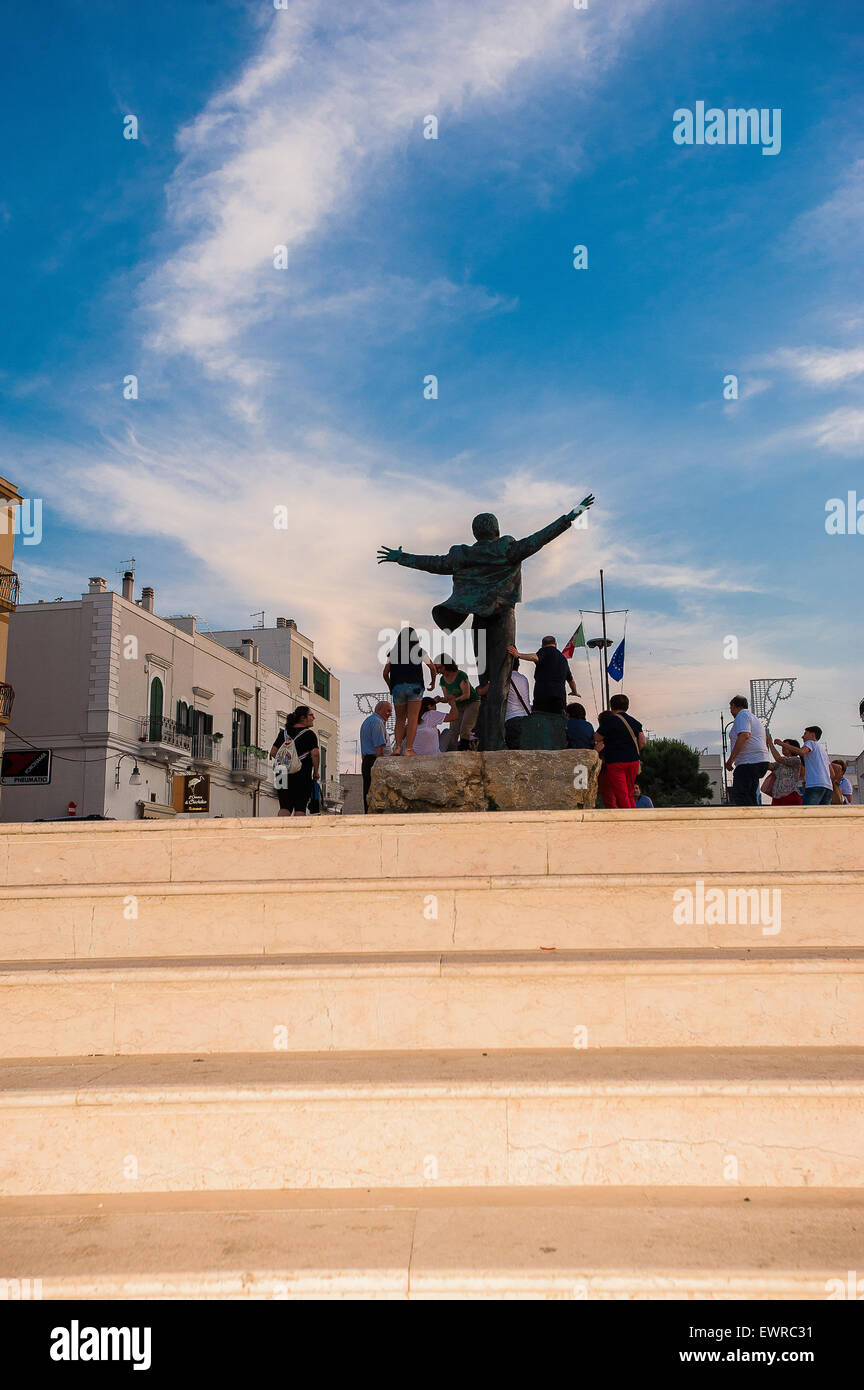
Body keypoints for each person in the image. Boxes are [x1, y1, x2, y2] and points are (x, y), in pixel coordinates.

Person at [382, 626, 436, 757]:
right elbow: (432, 667)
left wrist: (392, 687)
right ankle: (408, 749)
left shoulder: (392, 653)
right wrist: (433, 682)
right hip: (415, 686)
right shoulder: (419, 651)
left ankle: (398, 747)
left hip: (398, 688)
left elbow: (385, 673)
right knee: (412, 718)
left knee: (400, 719)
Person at [507, 636, 579, 714]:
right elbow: (571, 681)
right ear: (555, 644)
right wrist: (574, 692)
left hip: (543, 698)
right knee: (558, 723)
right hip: (560, 700)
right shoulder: (563, 659)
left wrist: (518, 655)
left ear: (542, 645)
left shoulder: (545, 651)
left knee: (541, 722)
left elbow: (535, 657)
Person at [596, 694, 646, 808]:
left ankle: (628, 820)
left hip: (616, 761)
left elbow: (597, 737)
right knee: (629, 792)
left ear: (611, 706)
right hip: (633, 761)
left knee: (621, 794)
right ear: (627, 706)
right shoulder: (634, 722)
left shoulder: (610, 721)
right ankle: (634, 815)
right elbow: (643, 741)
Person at [269, 706, 319, 817]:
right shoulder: (309, 734)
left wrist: (286, 761)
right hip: (301, 773)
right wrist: (315, 772)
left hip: (280, 772)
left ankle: (281, 831)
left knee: (284, 807)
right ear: (303, 718)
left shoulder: (283, 733)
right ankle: (297, 832)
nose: (313, 718)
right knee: (300, 807)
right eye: (311, 715)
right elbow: (315, 754)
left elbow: (273, 752)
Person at [725, 695, 770, 806]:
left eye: (730, 708)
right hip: (759, 760)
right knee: (749, 794)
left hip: (748, 761)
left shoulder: (742, 715)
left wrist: (731, 759)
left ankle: (748, 819)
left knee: (741, 794)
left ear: (733, 706)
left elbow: (744, 735)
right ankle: (755, 819)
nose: (731, 712)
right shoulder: (753, 717)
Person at [435, 656, 481, 751]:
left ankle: (466, 750)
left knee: (465, 729)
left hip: (472, 703)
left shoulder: (461, 675)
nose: (439, 670)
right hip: (457, 706)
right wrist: (440, 699)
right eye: (437, 668)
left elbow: (466, 695)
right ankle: (452, 752)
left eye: (440, 667)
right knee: (453, 731)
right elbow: (448, 698)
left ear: (447, 665)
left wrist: (453, 700)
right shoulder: (442, 680)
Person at [358, 700, 392, 812]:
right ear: (378, 709)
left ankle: (368, 813)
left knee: (368, 790)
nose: (390, 713)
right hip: (375, 761)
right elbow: (379, 749)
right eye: (388, 710)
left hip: (367, 761)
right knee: (376, 792)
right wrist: (383, 767)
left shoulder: (368, 721)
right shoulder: (377, 722)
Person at [795, 724, 833, 806]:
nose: (803, 737)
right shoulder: (823, 752)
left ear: (812, 735)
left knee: (808, 813)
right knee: (823, 816)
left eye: (805, 733)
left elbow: (801, 752)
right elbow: (832, 774)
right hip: (828, 787)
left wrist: (782, 744)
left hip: (814, 785)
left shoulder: (810, 743)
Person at [765, 733, 804, 806]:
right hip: (777, 795)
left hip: (790, 794)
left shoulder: (796, 760)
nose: (783, 747)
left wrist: (771, 744)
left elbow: (779, 758)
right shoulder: (780, 763)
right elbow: (768, 766)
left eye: (785, 746)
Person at [504, 659, 531, 749]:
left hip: (512, 719)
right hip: (527, 718)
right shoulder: (524, 678)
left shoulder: (505, 678)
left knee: (514, 753)